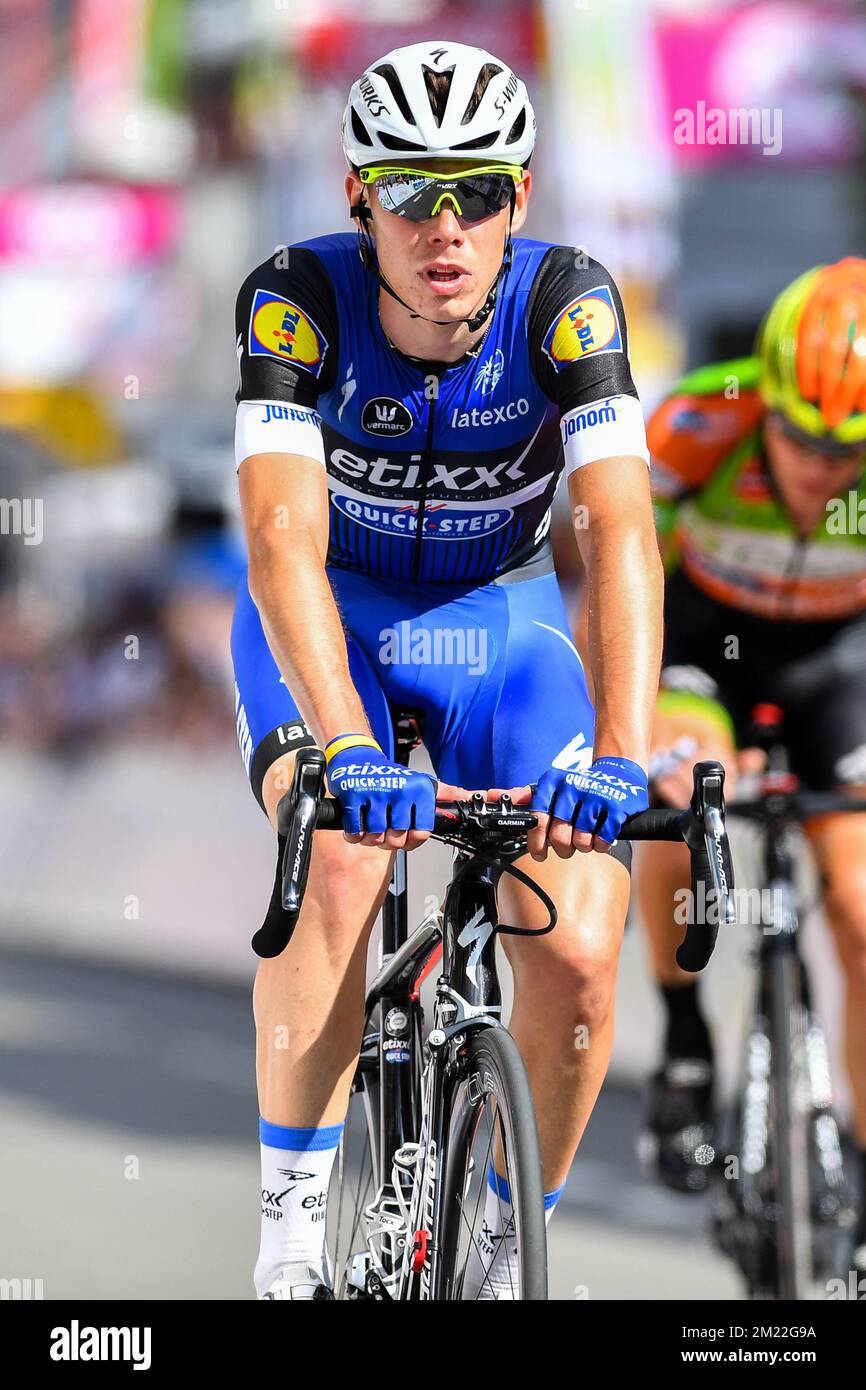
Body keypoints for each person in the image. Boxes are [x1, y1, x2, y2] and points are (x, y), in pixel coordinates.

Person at [231, 40, 661, 1299]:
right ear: (356, 191)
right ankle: (289, 1250)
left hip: (501, 627)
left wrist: (627, 757)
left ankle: (494, 1241)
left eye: (476, 190)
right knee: (347, 856)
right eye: (411, 190)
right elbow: (276, 540)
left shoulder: (566, 300)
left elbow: (622, 532)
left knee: (581, 943)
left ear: (518, 199)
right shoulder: (294, 297)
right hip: (329, 617)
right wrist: (347, 753)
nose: (444, 223)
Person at [636, 258, 866, 1269]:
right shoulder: (696, 424)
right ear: (764, 395)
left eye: (846, 452)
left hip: (836, 662)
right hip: (703, 646)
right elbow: (619, 568)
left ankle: (856, 1158)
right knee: (679, 787)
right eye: (803, 437)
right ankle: (683, 1038)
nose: (820, 469)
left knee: (859, 908)